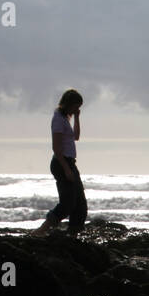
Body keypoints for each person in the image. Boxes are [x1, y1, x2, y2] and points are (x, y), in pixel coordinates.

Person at [31, 90, 86, 237]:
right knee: (68, 203)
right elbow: (56, 147)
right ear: (68, 104)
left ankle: (73, 233)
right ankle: (42, 230)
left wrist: (77, 118)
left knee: (80, 203)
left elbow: (76, 137)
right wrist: (66, 169)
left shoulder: (65, 119)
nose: (77, 110)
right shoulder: (58, 119)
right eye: (75, 106)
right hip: (61, 163)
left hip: (70, 162)